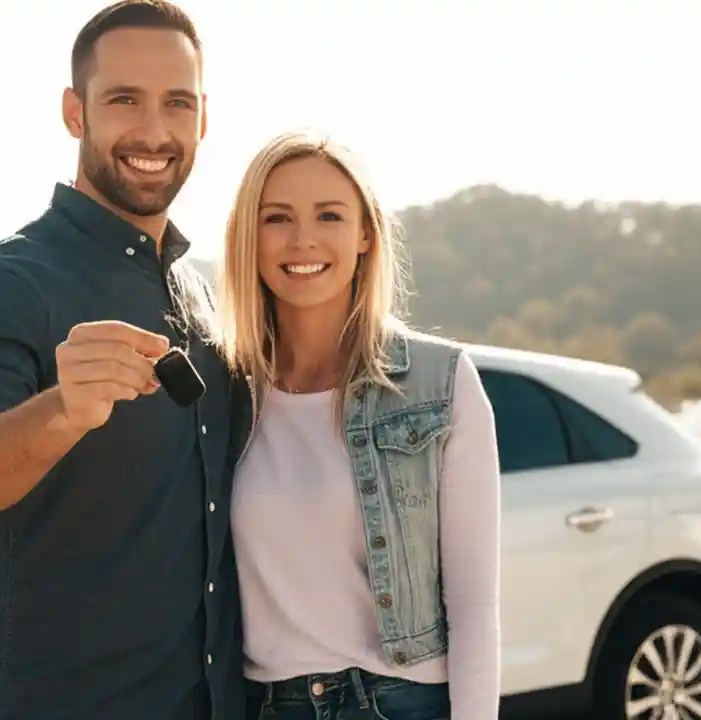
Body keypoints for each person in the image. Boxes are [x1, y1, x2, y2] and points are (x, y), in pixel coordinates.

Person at [0, 2, 247, 718]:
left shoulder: (197, 288)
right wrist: (62, 410)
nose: (153, 132)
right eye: (124, 100)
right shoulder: (9, 283)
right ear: (74, 111)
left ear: (203, 119)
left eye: (176, 103)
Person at [216, 129, 502, 719]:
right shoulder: (223, 394)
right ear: (248, 235)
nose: (303, 240)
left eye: (329, 215)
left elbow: (474, 603)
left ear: (365, 233)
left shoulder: (437, 383)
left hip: (398, 703)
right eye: (277, 218)